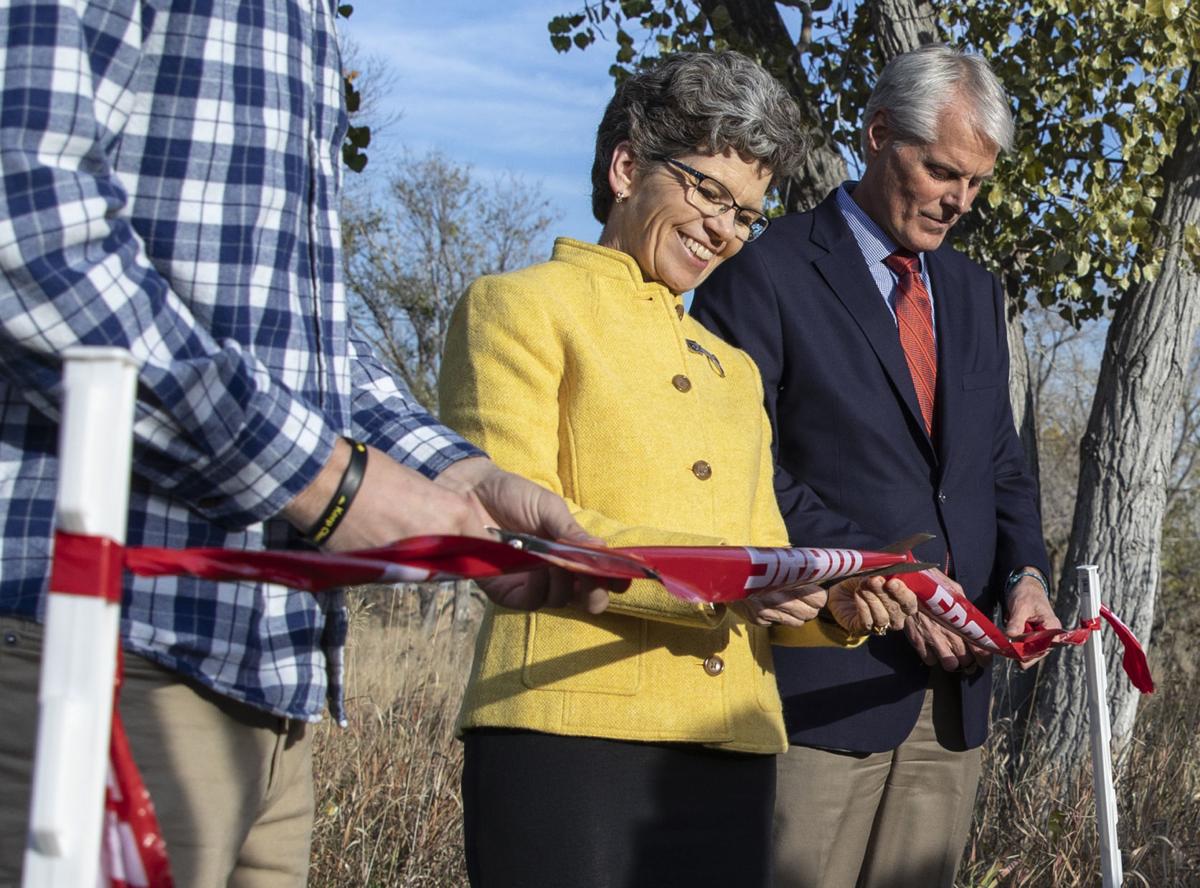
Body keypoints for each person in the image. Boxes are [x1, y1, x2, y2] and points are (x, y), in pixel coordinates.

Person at [0, 2, 613, 886]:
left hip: (270, 686)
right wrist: (325, 486)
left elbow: (307, 345)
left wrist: (459, 478)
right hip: (97, 646)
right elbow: (29, 227)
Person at [437, 50, 917, 888]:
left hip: (733, 750)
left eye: (747, 215)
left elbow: (762, 565)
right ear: (627, 167)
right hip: (567, 736)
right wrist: (736, 577)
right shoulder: (517, 307)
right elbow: (514, 532)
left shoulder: (735, 371)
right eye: (708, 192)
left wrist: (831, 607)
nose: (725, 230)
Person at [692, 43, 1061, 888]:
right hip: (818, 687)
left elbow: (1000, 465)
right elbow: (732, 462)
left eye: (976, 182)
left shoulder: (974, 293)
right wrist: (889, 572)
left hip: (954, 701)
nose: (959, 200)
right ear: (879, 133)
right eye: (942, 171)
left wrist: (1027, 576)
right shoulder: (762, 269)